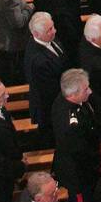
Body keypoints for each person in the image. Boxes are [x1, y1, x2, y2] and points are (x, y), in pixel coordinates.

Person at [51, 68, 101, 202]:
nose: (90, 91)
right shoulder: (71, 123)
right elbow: (80, 152)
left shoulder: (67, 99)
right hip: (79, 174)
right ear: (73, 94)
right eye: (86, 89)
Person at [23, 12, 66, 144]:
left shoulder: (47, 39)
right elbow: (50, 92)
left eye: (53, 27)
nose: (54, 31)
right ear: (36, 34)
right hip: (49, 106)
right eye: (49, 30)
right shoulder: (38, 61)